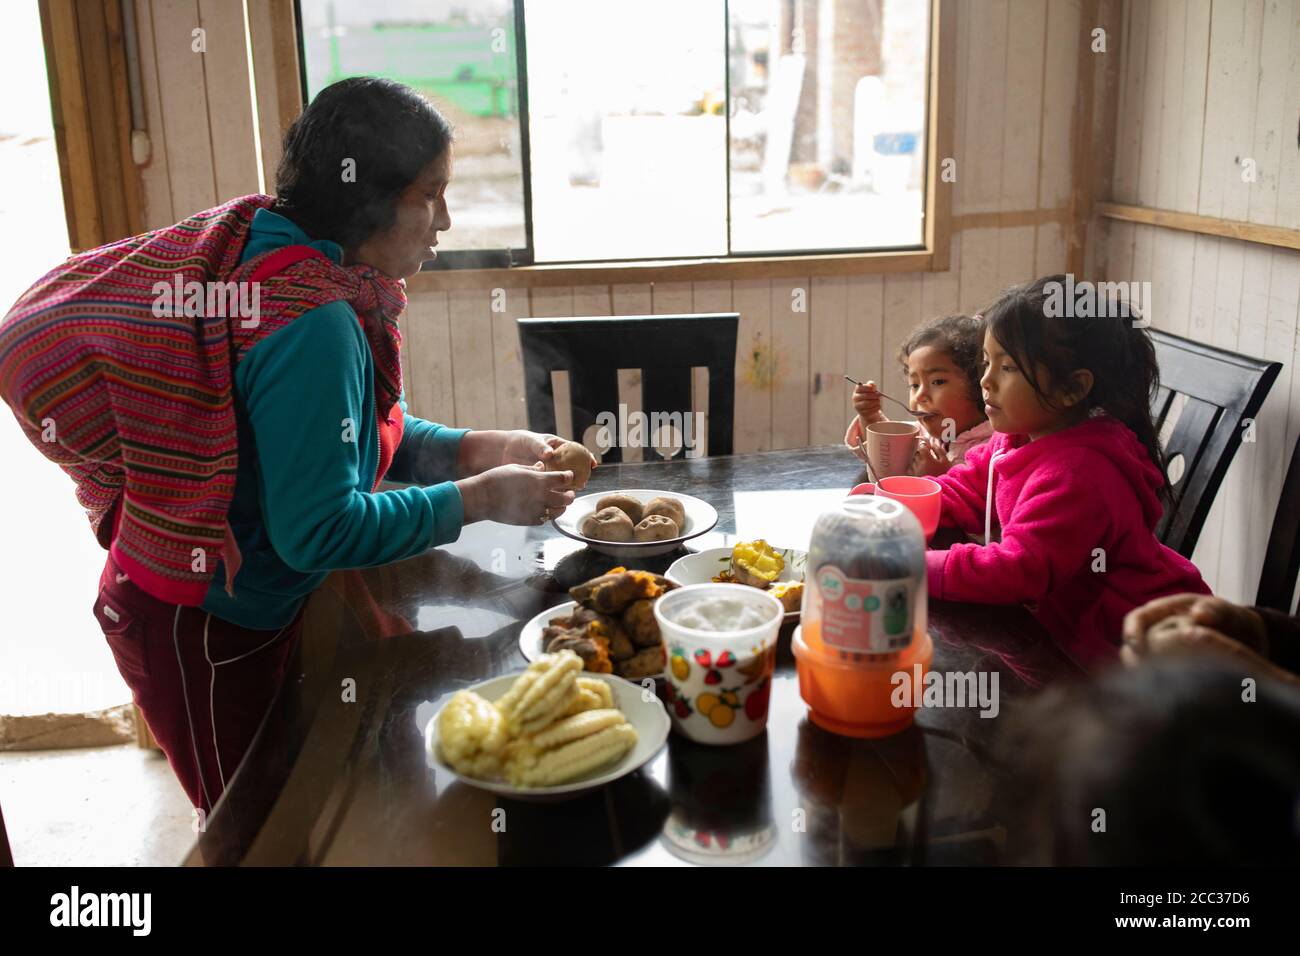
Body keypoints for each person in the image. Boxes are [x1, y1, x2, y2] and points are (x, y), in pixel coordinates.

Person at [0, 77, 590, 812]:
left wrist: (484, 446)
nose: (446, 219)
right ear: (371, 198)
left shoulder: (298, 254)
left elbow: (355, 434)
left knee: (313, 804)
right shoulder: (312, 320)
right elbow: (318, 529)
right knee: (257, 832)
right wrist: (480, 500)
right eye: (431, 193)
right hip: (199, 628)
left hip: (238, 604)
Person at [922, 276, 1209, 668]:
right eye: (987, 362)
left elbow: (1018, 569)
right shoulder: (1023, 435)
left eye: (1007, 367)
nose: (985, 380)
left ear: (1072, 389)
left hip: (1138, 652)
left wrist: (915, 566)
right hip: (1063, 634)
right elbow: (971, 489)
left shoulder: (1078, 475)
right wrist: (893, 504)